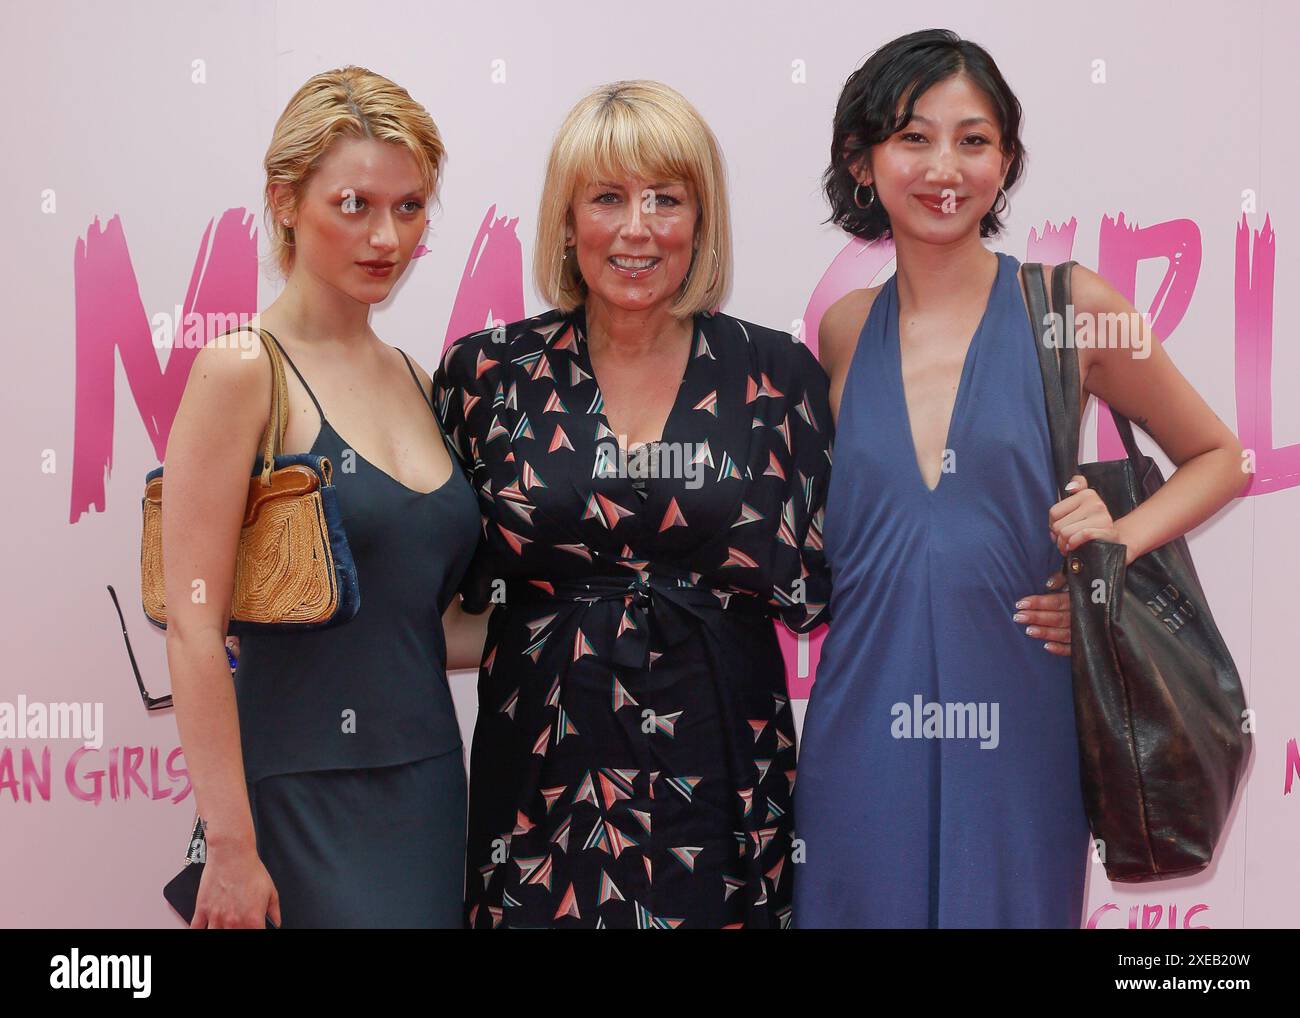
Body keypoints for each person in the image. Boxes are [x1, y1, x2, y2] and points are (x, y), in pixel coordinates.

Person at [792, 30, 1246, 928]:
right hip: (860, 715)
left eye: (974, 139)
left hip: (1018, 707)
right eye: (912, 137)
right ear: (863, 160)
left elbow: (1220, 457)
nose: (944, 167)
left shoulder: (1070, 308)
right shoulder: (843, 329)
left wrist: (1113, 545)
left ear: (1006, 162)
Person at [434, 80, 834, 928]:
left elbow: (852, 572)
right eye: (607, 198)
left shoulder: (776, 377)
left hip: (723, 765)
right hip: (539, 770)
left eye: (667, 199)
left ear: (702, 217)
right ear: (567, 218)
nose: (637, 228)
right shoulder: (487, 375)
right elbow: (429, 585)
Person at [163, 66, 484, 928]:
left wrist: (606, 608)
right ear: (285, 201)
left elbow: (421, 619)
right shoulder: (242, 372)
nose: (387, 236)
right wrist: (230, 848)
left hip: (428, 785)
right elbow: (195, 622)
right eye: (355, 204)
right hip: (295, 797)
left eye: (411, 207)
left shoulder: (421, 379)